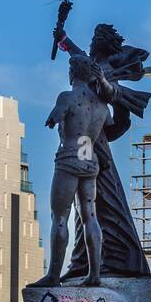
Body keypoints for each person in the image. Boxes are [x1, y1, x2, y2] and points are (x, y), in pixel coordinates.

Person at [51, 2, 151, 280]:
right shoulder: (94, 66)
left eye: (96, 40)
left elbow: (113, 98)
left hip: (88, 144)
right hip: (92, 144)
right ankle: (86, 264)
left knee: (94, 205)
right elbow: (70, 47)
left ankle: (106, 261)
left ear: (102, 44)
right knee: (88, 208)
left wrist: (61, 31)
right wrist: (61, 27)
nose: (92, 43)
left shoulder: (98, 69)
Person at [30, 54, 109, 287]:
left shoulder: (67, 96)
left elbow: (56, 115)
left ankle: (54, 275)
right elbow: (111, 125)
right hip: (90, 158)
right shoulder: (101, 104)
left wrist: (54, 117)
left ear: (72, 73)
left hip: (70, 156)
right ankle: (95, 274)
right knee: (89, 216)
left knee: (60, 217)